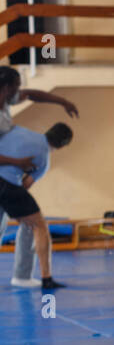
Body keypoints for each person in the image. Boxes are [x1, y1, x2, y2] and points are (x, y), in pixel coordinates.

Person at [0, 123, 73, 291]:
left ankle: (23, 275)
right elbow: (25, 185)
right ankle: (35, 277)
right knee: (37, 225)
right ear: (61, 146)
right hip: (8, 186)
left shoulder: (20, 130)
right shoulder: (44, 159)